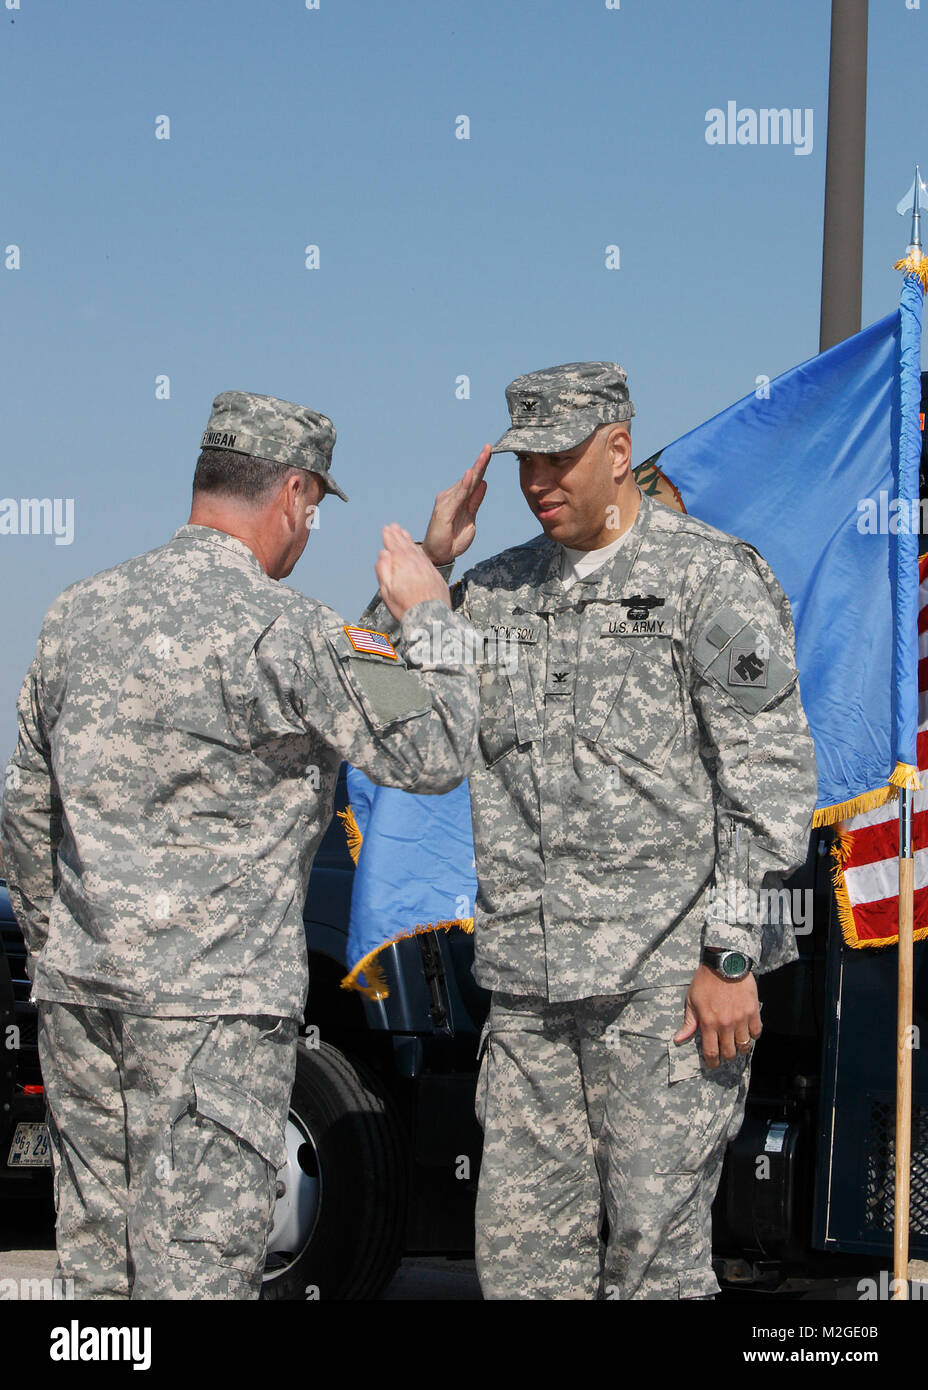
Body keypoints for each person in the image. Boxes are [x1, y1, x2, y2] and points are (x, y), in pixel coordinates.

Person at [0, 389, 480, 1300]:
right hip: (215, 1024)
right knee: (198, 1281)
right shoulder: (289, 630)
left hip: (82, 1006)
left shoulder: (77, 615)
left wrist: (63, 951)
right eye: (310, 509)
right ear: (295, 493)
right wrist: (428, 611)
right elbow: (436, 747)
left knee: (101, 1283)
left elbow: (26, 819)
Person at [362, 361, 818, 1299]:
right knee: (526, 1275)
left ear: (619, 450)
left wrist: (731, 958)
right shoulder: (491, 598)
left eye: (561, 459)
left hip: (667, 999)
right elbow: (395, 736)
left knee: (655, 1266)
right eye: (526, 462)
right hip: (528, 1005)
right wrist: (430, 575)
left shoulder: (706, 582)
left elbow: (769, 789)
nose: (539, 484)